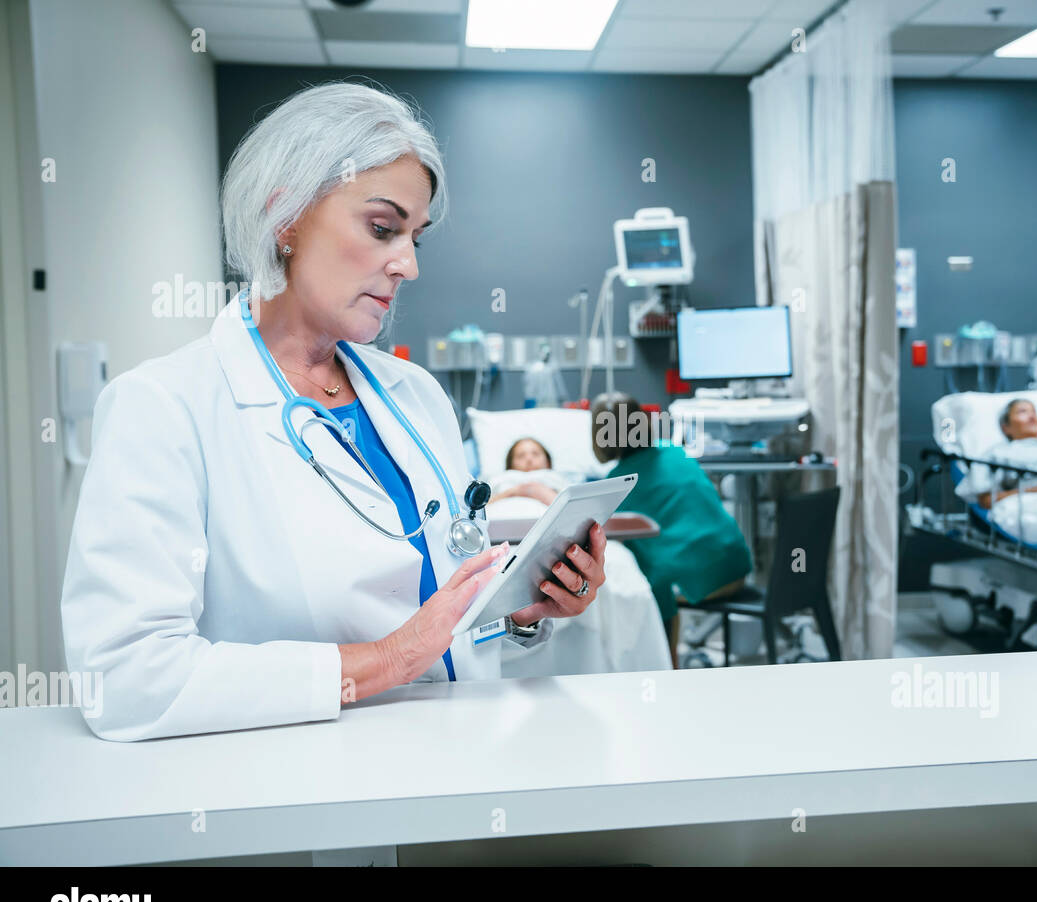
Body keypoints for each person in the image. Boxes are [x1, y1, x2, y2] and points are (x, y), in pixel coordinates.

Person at [60, 82, 607, 742]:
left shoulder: (416, 396)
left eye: (416, 238)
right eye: (382, 228)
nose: (407, 265)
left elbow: (443, 622)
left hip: (459, 761)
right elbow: (125, 678)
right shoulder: (164, 408)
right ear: (285, 217)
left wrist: (518, 613)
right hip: (294, 786)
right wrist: (387, 660)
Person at [590, 392, 753, 668]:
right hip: (737, 564)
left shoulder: (619, 483)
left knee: (645, 578)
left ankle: (666, 667)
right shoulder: (674, 451)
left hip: (710, 580)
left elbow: (601, 529)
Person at [488, 437, 559, 506]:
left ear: (547, 462)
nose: (529, 459)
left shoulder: (556, 481)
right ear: (511, 464)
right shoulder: (499, 481)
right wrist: (516, 491)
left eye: (535, 454)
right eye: (521, 456)